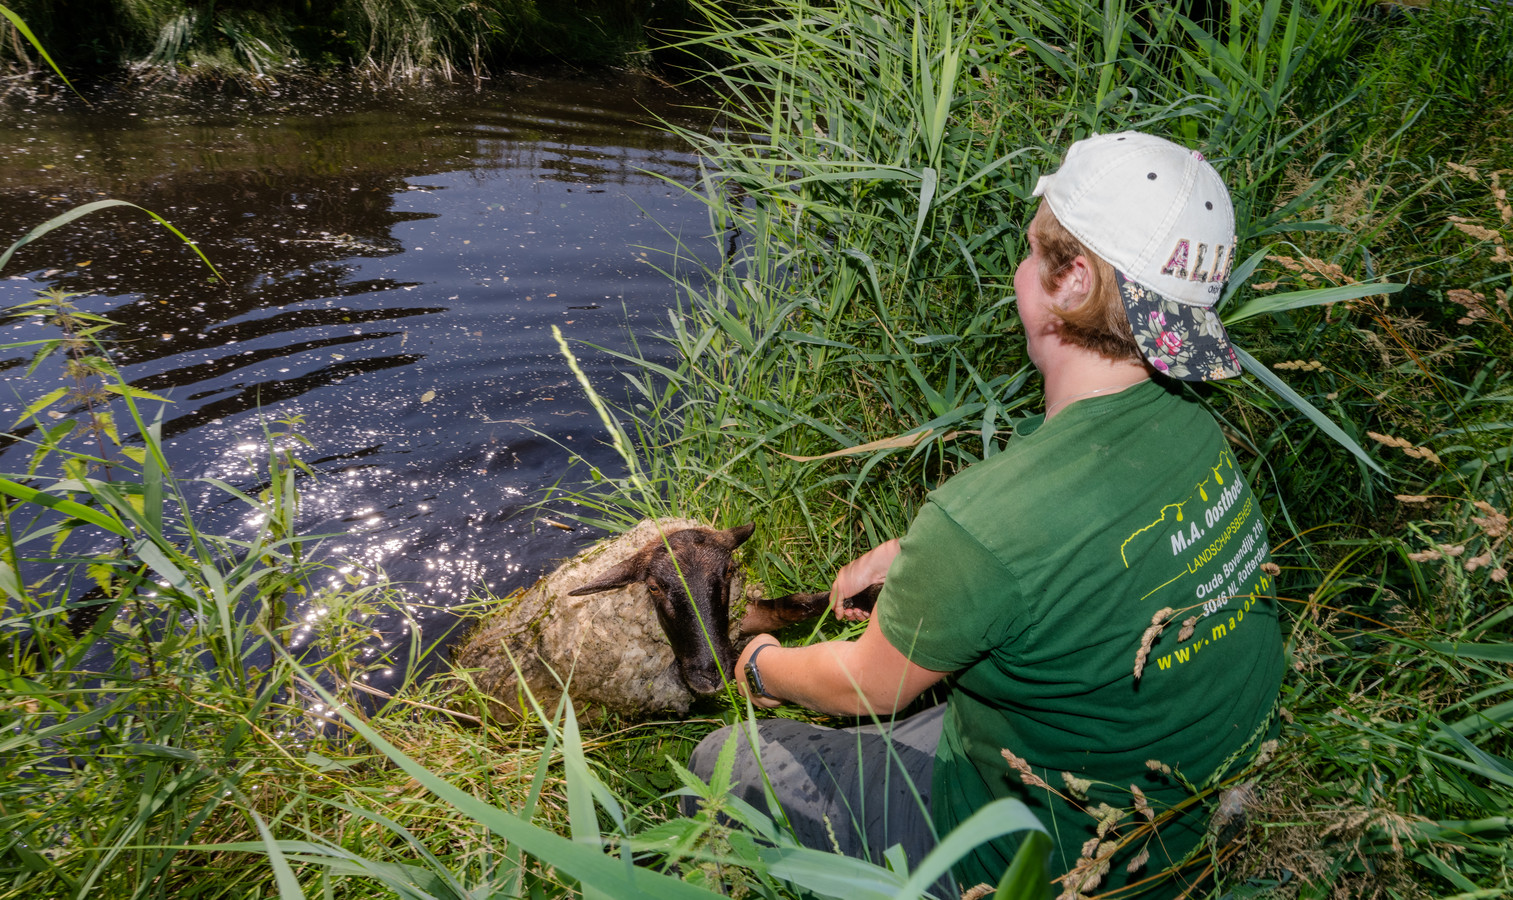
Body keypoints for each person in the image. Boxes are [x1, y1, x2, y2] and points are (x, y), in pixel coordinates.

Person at [682, 132, 1285, 898]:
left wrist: (758, 662)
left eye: (1031, 248)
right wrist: (913, 554)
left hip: (1050, 866)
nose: (1014, 269)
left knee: (726, 761)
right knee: (928, 717)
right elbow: (1073, 558)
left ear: (1070, 280)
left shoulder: (982, 522)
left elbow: (862, 688)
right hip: (1180, 820)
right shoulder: (1195, 430)